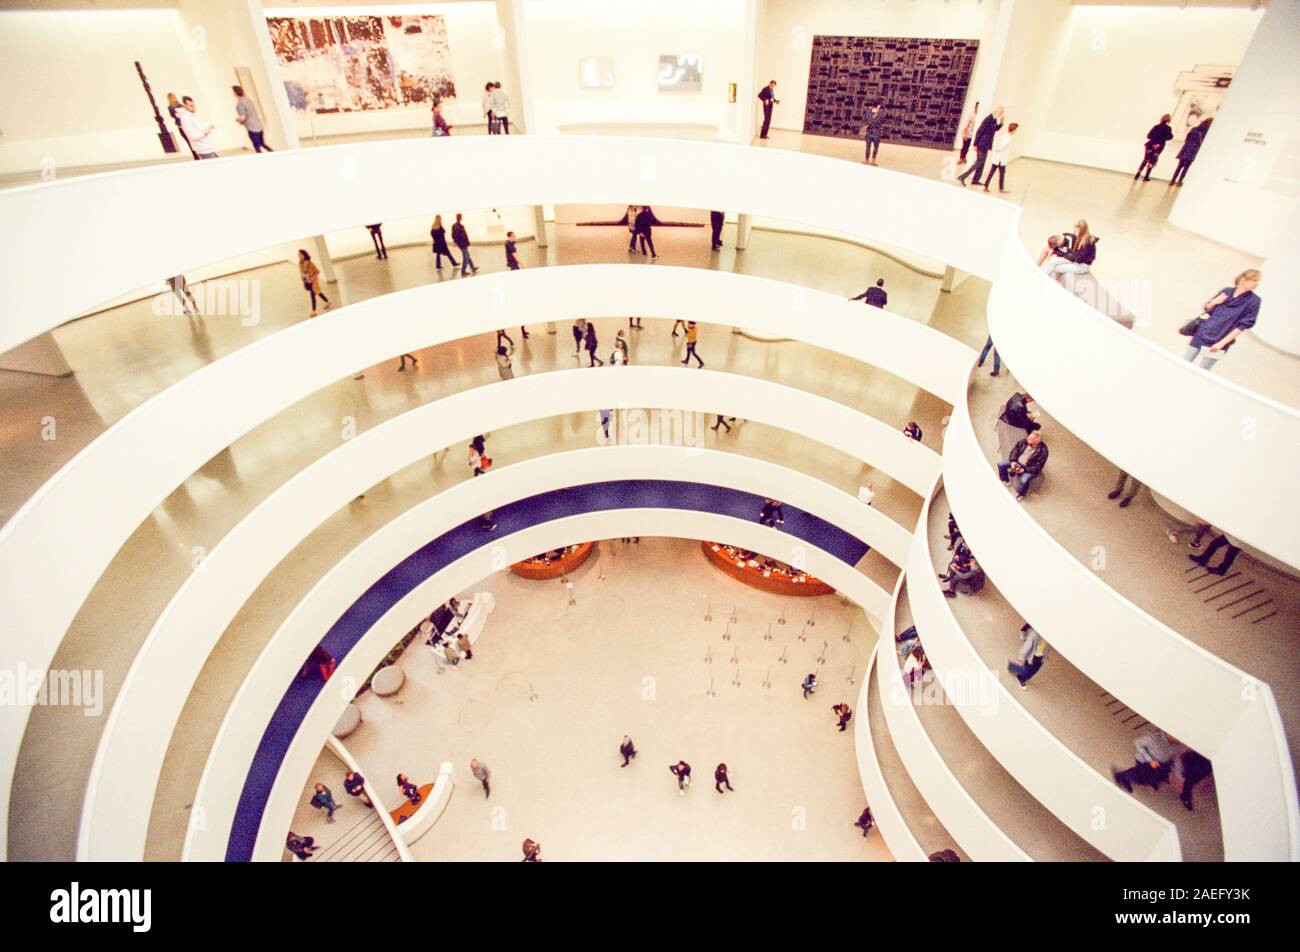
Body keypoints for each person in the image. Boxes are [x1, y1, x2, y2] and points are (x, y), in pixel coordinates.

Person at [1182, 270, 1261, 371]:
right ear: (1243, 280)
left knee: (1202, 371)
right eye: (1254, 280)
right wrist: (1214, 302)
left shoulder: (1254, 301)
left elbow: (1244, 325)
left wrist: (1222, 343)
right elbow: (1207, 309)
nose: (1256, 284)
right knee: (1184, 363)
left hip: (1220, 341)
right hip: (1202, 333)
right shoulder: (1227, 291)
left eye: (1258, 281)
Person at [957, 106, 1003, 186]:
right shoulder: (988, 119)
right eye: (1001, 112)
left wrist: (1001, 123)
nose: (1001, 114)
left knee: (982, 163)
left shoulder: (994, 119)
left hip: (985, 144)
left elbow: (995, 129)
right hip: (982, 144)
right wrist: (975, 144)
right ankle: (962, 177)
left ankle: (975, 180)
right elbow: (979, 131)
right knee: (979, 162)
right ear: (997, 112)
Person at [997, 431, 1048, 500]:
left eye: (1030, 438)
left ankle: (1022, 494)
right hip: (1017, 462)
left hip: (1028, 468)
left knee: (1024, 480)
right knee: (1001, 464)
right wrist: (1013, 461)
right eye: (1029, 436)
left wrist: (1024, 470)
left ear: (1036, 442)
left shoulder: (1043, 452)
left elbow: (1038, 467)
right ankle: (1005, 480)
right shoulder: (1024, 441)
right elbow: (1015, 450)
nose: (1027, 438)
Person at [1170, 117, 1211, 187]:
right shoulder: (1207, 131)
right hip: (1194, 150)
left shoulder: (1194, 128)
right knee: (1186, 168)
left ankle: (1172, 181)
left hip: (1186, 149)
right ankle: (1179, 182)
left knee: (1179, 167)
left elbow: (1186, 138)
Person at [1007, 624, 1048, 690]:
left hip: (1041, 656)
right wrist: (1021, 658)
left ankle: (1022, 678)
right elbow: (1026, 646)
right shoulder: (1034, 635)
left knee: (1034, 671)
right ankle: (1011, 666)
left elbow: (1047, 647)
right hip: (1033, 655)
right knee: (1027, 669)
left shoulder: (1050, 638)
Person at [232, 85, 271, 152]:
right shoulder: (248, 100)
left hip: (252, 128)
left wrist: (237, 119)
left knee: (257, 148)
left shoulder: (240, 104)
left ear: (235, 93)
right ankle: (274, 153)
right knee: (263, 144)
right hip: (258, 125)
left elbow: (243, 117)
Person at [1135, 114, 1173, 182]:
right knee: (1152, 161)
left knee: (1145, 160)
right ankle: (1146, 177)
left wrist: (1154, 139)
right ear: (1169, 120)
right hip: (1159, 146)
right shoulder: (1168, 128)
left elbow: (1149, 136)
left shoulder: (1156, 126)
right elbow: (1170, 137)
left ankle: (1137, 175)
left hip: (1150, 145)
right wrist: (1160, 140)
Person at [177, 95, 217, 159]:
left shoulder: (191, 116)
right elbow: (192, 136)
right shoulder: (186, 119)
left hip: (206, 147)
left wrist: (208, 128)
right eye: (191, 106)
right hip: (202, 149)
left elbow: (198, 130)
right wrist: (205, 133)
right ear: (185, 106)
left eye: (193, 105)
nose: (193, 107)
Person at [982, 122, 1017, 192]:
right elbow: (1001, 147)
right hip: (1000, 159)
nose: (1016, 131)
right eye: (1016, 129)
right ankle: (1001, 189)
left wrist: (995, 151)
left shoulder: (1004, 135)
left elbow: (996, 143)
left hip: (997, 158)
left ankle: (986, 186)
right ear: (1013, 129)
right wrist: (998, 150)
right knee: (1002, 173)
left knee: (992, 172)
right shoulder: (1008, 138)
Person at [298, 250, 330, 316]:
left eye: (300, 255)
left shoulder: (310, 263)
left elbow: (317, 271)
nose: (299, 256)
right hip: (307, 282)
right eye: (298, 255)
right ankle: (328, 301)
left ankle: (314, 311)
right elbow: (301, 273)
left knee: (312, 295)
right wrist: (304, 279)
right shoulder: (300, 264)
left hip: (313, 282)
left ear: (304, 255)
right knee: (318, 292)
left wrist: (312, 278)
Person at [167, 92, 198, 159]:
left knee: (188, 141)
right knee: (191, 139)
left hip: (180, 126)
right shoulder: (180, 105)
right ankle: (197, 153)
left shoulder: (170, 107)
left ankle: (195, 155)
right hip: (186, 124)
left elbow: (172, 116)